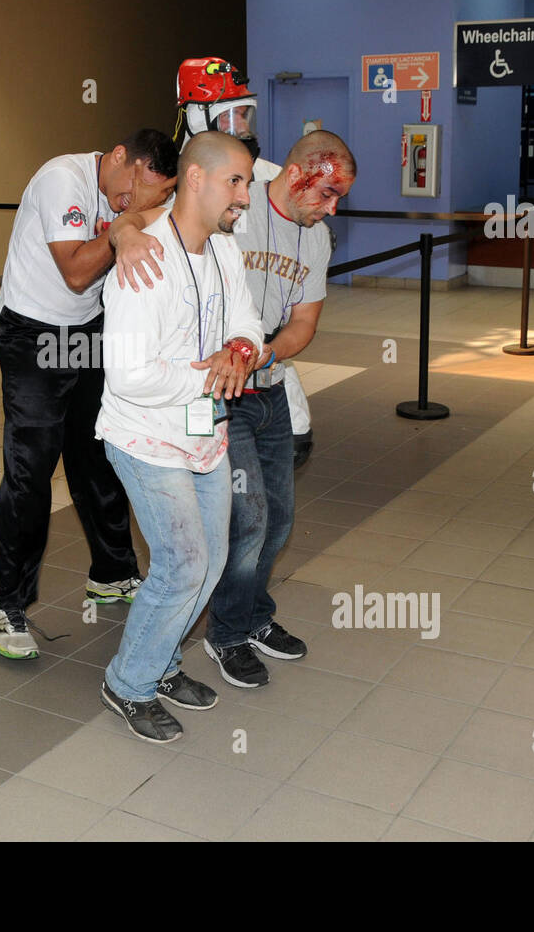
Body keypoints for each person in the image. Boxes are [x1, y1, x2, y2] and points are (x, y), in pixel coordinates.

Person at [96, 131, 264, 743]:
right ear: (196, 178)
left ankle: (162, 664)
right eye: (236, 182)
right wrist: (212, 374)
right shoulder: (144, 260)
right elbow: (130, 374)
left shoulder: (223, 251)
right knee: (183, 562)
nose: (244, 197)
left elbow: (246, 321)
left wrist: (241, 350)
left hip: (203, 431)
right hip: (144, 437)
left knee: (212, 560)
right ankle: (128, 682)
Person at [0, 130, 178, 660]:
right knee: (32, 469)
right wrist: (123, 227)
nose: (136, 204)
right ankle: (9, 603)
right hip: (34, 335)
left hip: (88, 331)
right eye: (134, 190)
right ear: (120, 158)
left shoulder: (134, 195)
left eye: (155, 196)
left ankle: (113, 573)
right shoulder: (61, 179)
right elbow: (74, 272)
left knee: (100, 457)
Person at [203, 130, 355, 689]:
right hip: (221, 393)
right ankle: (226, 635)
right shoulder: (238, 206)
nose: (333, 207)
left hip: (268, 386)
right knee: (249, 518)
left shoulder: (316, 240)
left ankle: (254, 616)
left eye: (339, 197)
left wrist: (266, 351)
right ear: (295, 176)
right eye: (327, 193)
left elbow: (304, 324)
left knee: (280, 520)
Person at [175, 56, 321, 467]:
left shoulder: (272, 179)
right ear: (197, 118)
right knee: (207, 474)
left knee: (286, 457)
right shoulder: (173, 188)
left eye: (246, 115)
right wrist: (126, 231)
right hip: (197, 364)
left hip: (261, 358)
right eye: (230, 117)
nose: (242, 128)